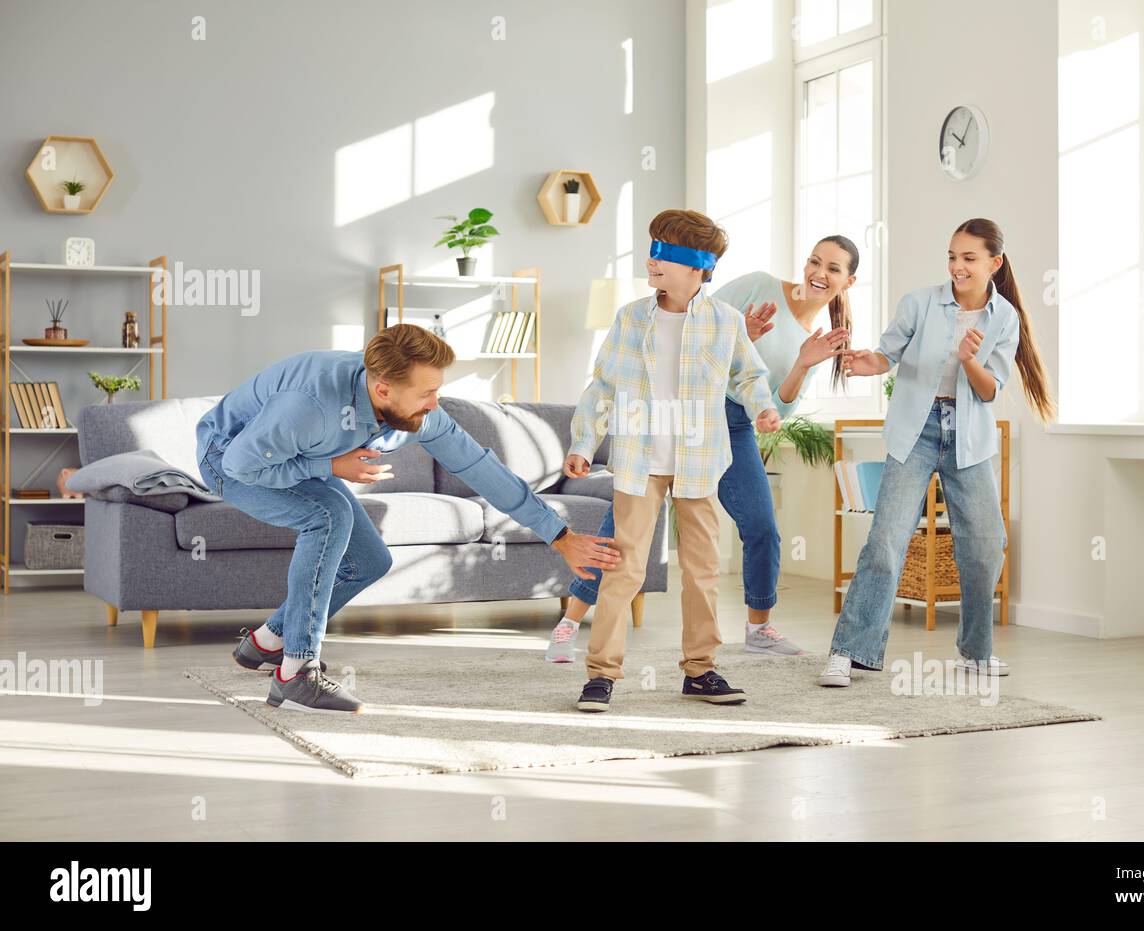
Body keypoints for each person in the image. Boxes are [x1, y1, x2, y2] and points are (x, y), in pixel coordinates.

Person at [195, 324, 620, 713]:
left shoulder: (420, 414)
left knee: (370, 560)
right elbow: (240, 465)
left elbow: (481, 468)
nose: (435, 403)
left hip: (297, 456)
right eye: (426, 393)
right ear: (383, 390)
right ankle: (296, 670)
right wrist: (329, 466)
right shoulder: (310, 406)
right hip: (231, 459)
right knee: (329, 516)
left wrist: (560, 536)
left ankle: (267, 642)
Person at [545, 236, 855, 662]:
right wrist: (738, 335)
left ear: (848, 281)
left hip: (736, 425)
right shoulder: (759, 285)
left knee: (762, 526)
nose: (820, 273)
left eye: (833, 268)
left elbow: (776, 402)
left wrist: (802, 363)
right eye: (815, 261)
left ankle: (758, 627)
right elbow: (690, 319)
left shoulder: (818, 339)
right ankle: (569, 622)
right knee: (621, 529)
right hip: (688, 411)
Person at [819, 218, 1054, 687]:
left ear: (995, 263)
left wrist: (969, 359)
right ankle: (849, 651)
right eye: (952, 256)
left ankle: (974, 652)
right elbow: (887, 354)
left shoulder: (1004, 318)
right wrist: (870, 364)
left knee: (987, 545)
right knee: (886, 541)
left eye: (969, 258)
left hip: (969, 436)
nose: (957, 266)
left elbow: (989, 393)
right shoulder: (921, 303)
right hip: (915, 430)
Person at [563, 208, 780, 712]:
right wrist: (581, 444)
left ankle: (700, 670)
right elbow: (603, 387)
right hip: (639, 463)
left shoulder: (725, 323)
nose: (652, 260)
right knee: (624, 570)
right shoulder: (631, 319)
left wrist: (763, 406)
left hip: (700, 463)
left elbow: (748, 376)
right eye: (652, 248)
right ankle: (602, 674)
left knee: (703, 569)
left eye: (664, 251)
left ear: (697, 266)